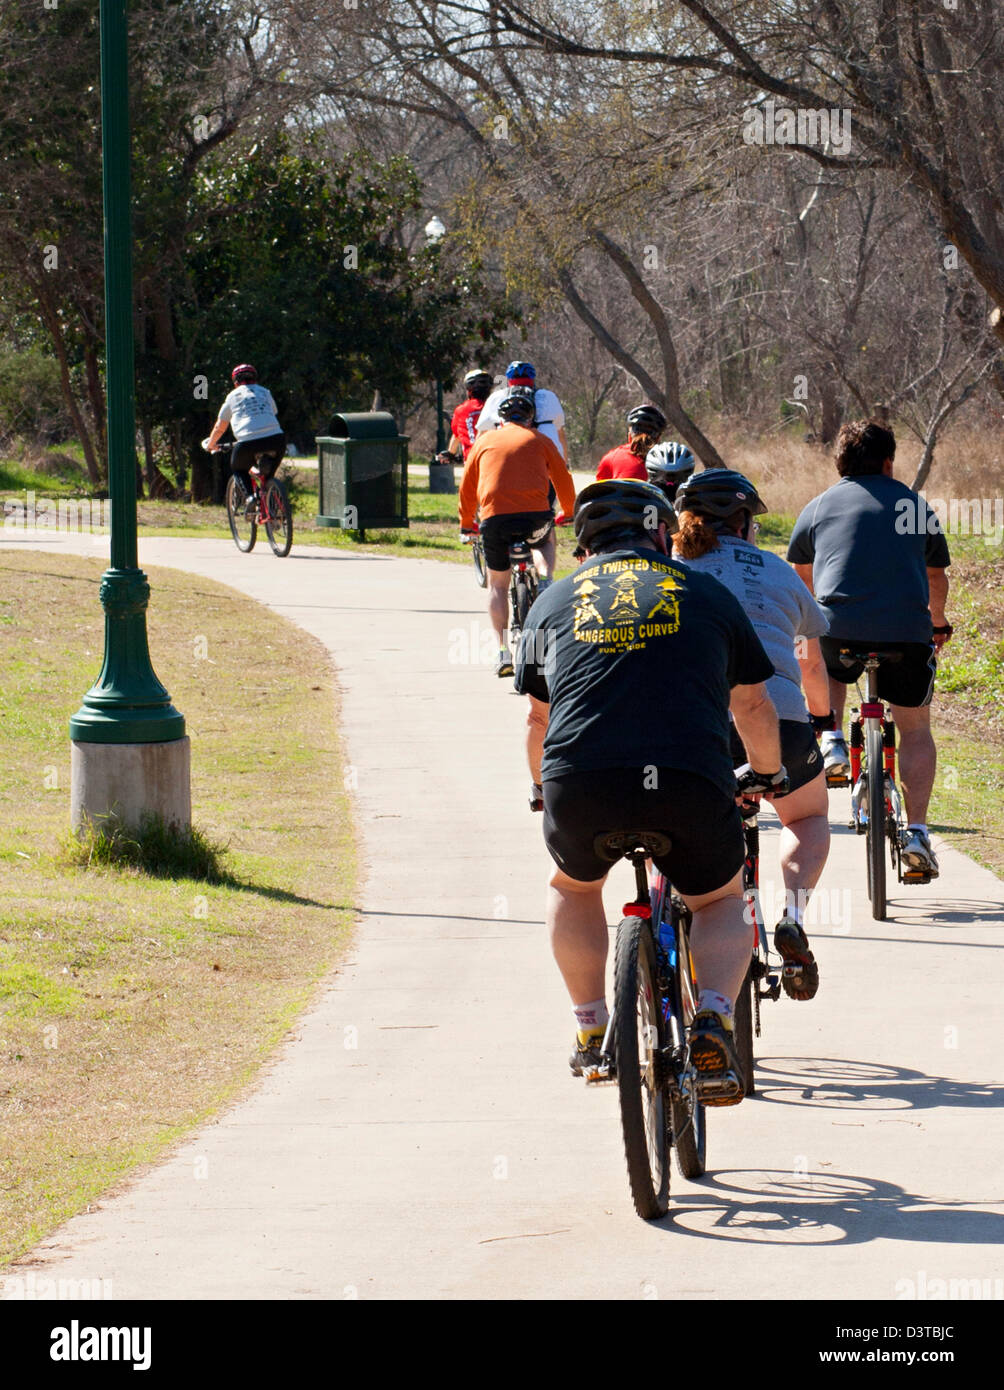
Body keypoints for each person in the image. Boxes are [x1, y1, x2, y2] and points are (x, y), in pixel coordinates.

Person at [514, 478, 785, 1101]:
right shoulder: (707, 592)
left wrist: (540, 789)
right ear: (663, 533)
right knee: (721, 899)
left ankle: (589, 1029)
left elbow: (537, 720)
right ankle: (714, 1016)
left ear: (582, 543)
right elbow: (752, 705)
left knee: (573, 886)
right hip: (687, 780)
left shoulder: (552, 603)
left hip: (583, 782)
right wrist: (769, 776)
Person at [672, 468, 832, 1000]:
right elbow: (810, 659)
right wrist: (823, 723)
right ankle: (791, 913)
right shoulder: (777, 570)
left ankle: (673, 928)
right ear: (744, 523)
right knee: (805, 816)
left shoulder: (670, 568)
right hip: (780, 716)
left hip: (698, 722)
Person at [787, 420, 951, 877]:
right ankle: (917, 832)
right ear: (888, 461)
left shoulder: (818, 506)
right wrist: (937, 624)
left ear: (840, 462)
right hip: (906, 634)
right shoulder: (914, 506)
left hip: (840, 633)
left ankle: (834, 740)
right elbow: (936, 577)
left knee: (819, 641)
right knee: (916, 730)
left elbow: (800, 576)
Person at [459, 387, 576, 677]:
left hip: (494, 519)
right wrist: (569, 511)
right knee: (544, 540)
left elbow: (466, 488)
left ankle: (502, 653)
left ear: (501, 420)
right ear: (530, 419)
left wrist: (466, 523)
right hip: (535, 516)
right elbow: (562, 477)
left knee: (497, 584)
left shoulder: (484, 442)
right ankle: (546, 580)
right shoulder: (539, 439)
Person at [203, 365, 285, 502]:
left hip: (247, 442)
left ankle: (250, 498)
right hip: (277, 439)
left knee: (239, 469)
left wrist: (211, 445)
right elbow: (273, 412)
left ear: (235, 383)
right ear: (255, 379)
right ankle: (273, 502)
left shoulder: (232, 397)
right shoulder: (265, 392)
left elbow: (220, 427)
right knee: (269, 476)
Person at [475, 361, 568, 459]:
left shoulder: (497, 397)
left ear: (509, 380)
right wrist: (565, 464)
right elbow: (560, 434)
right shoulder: (549, 396)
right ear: (532, 379)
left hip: (506, 458)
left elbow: (481, 434)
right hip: (547, 459)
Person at [594, 404, 667, 480]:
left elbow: (598, 490)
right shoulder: (668, 462)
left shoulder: (611, 457)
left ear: (629, 435)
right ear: (658, 438)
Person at [438, 369, 494, 465]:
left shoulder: (461, 410)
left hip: (472, 461)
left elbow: (457, 435)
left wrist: (451, 453)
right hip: (496, 460)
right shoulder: (495, 407)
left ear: (469, 389)